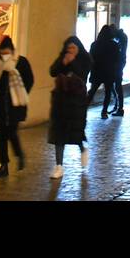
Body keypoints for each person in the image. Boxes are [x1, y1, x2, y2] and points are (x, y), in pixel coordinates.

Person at [0, 35, 34, 178]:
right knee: (1, 136)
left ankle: (19, 155)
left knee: (12, 133)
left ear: (12, 51)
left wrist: (21, 93)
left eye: (7, 52)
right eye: (2, 52)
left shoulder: (21, 62)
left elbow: (30, 80)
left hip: (16, 106)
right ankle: (3, 165)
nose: (5, 55)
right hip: (1, 105)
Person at [48, 37, 91, 178]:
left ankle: (82, 149)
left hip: (77, 102)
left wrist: (73, 62)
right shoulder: (62, 58)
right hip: (60, 101)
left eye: (74, 48)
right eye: (69, 48)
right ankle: (59, 166)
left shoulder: (85, 59)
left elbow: (83, 74)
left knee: (75, 133)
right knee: (59, 134)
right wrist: (63, 62)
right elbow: (52, 71)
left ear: (78, 48)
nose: (71, 51)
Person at [87, 24, 121, 117]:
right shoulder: (114, 45)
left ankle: (83, 108)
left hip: (97, 71)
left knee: (92, 91)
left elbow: (90, 57)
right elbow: (117, 59)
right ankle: (104, 112)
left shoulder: (94, 44)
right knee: (108, 92)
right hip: (108, 72)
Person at [111, 27, 128, 117]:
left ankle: (119, 107)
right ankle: (118, 106)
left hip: (118, 64)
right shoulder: (122, 38)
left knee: (117, 86)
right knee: (117, 86)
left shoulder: (120, 41)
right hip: (120, 64)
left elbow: (119, 53)